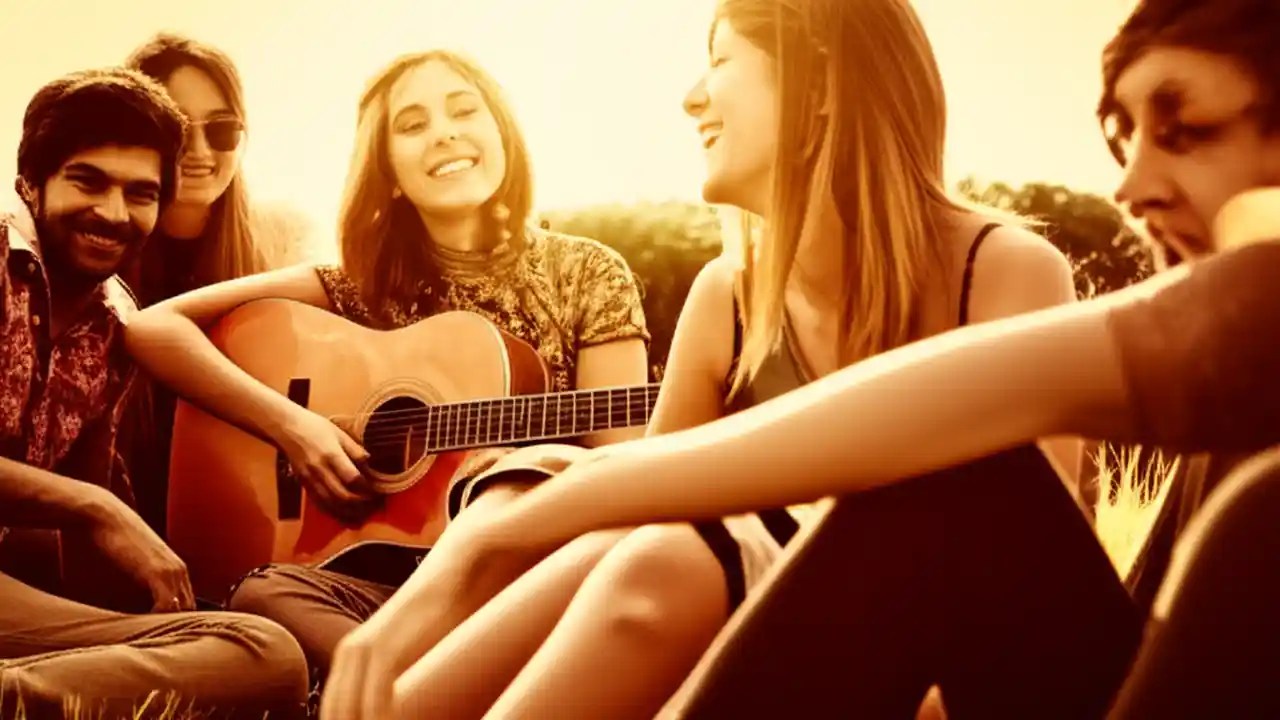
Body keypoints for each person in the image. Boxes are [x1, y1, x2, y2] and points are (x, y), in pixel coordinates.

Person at [330, 0, 1280, 716]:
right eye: (1126, 139)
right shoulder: (729, 291)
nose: (1129, 186)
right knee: (648, 532)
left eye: (1187, 129)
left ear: (820, 82)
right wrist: (505, 518)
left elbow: (922, 419)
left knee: (941, 483)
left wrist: (501, 534)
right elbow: (656, 498)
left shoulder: (1173, 298)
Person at [121, 48, 651, 701]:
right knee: (261, 593)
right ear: (390, 172)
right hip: (376, 585)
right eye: (413, 124)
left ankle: (411, 693)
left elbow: (622, 472)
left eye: (464, 111)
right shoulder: (361, 283)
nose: (445, 133)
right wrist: (294, 428)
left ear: (503, 136)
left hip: (521, 576)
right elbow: (153, 328)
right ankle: (435, 692)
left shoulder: (589, 273)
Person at [0, 66, 307, 720]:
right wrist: (97, 508)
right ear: (30, 183)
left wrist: (174, 607)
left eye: (140, 194)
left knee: (262, 650)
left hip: (14, 595)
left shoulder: (118, 324)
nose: (114, 213)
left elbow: (79, 534)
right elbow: (89, 505)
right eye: (88, 181)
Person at [117, 33, 297, 538]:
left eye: (222, 129)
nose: (198, 151)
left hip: (258, 522)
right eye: (175, 128)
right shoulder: (96, 254)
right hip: (131, 520)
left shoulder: (284, 243)